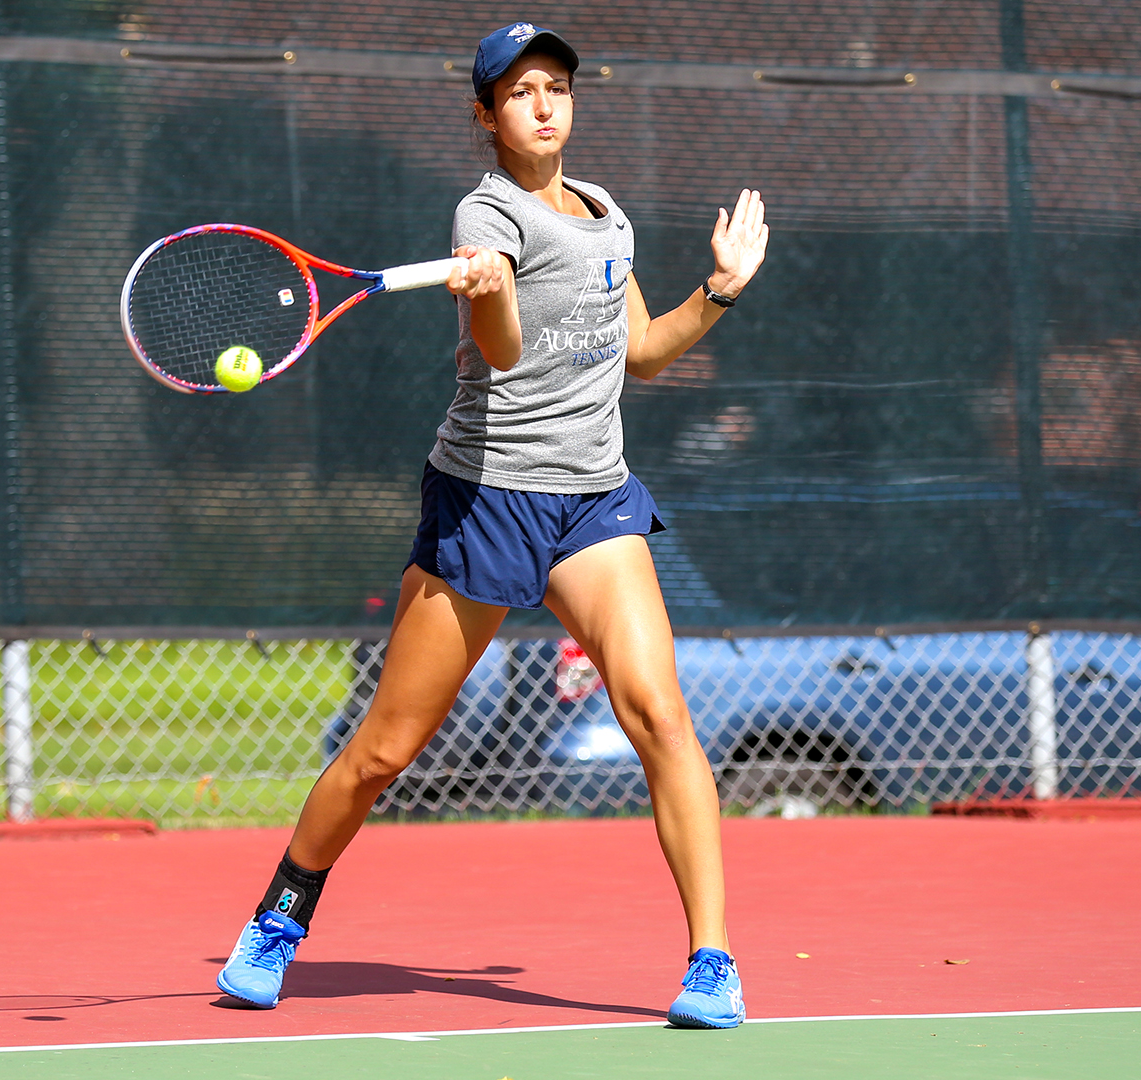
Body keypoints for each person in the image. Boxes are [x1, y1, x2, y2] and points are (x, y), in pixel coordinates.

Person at [215, 21, 768, 1030]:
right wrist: (495, 288)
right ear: (487, 115)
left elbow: (642, 353)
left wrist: (720, 289)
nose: (544, 105)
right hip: (487, 499)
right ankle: (279, 916)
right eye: (520, 92)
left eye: (557, 86)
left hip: (594, 500)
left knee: (660, 716)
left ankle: (712, 959)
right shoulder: (487, 212)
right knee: (385, 751)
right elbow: (503, 352)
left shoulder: (605, 215)